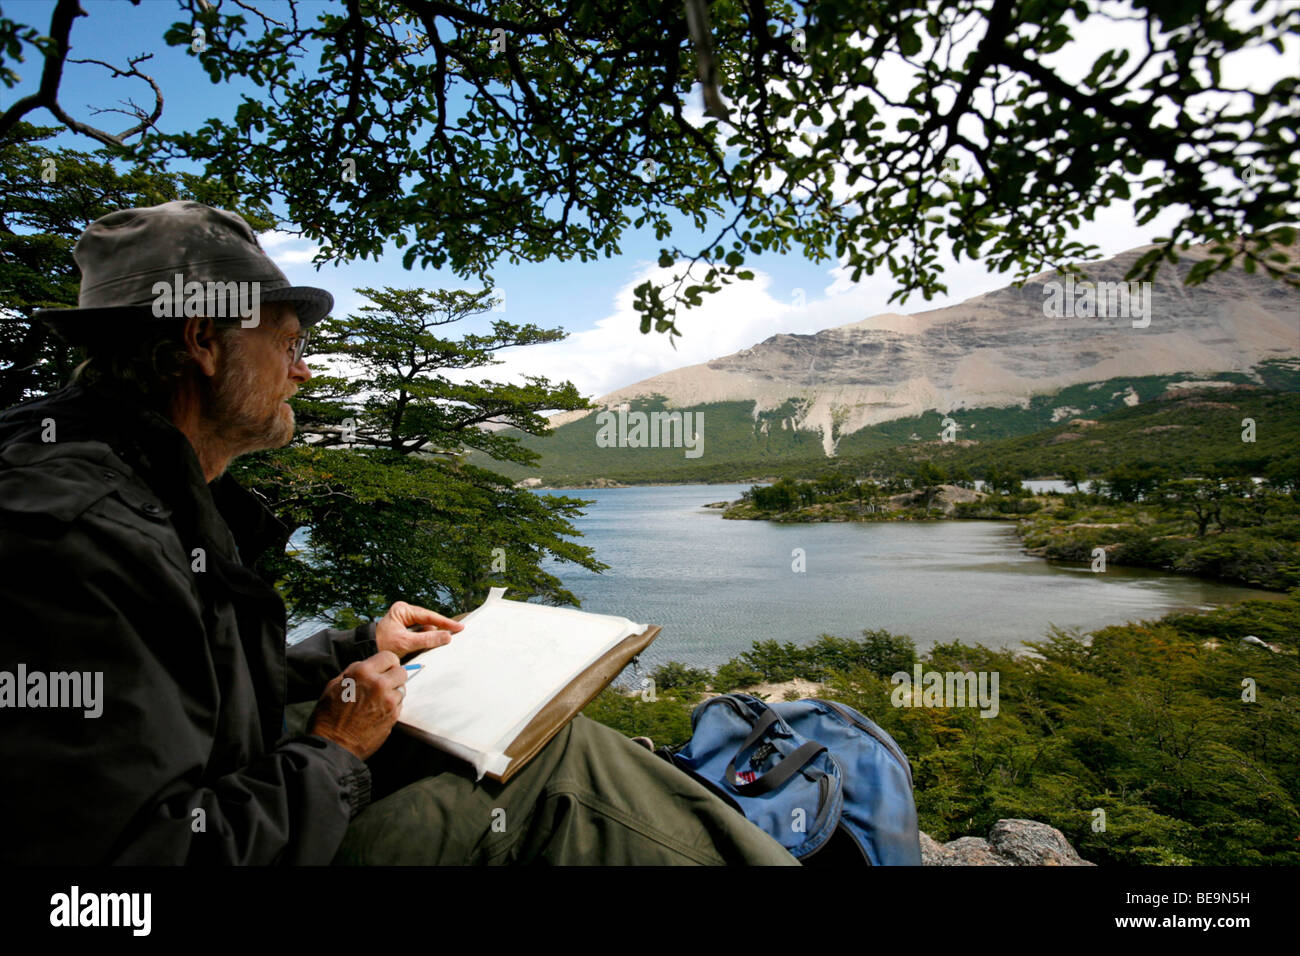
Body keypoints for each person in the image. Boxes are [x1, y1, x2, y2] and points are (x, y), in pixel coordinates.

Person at [0, 201, 797, 865]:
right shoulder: (75, 539)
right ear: (202, 342)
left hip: (254, 815)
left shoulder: (118, 480)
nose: (303, 373)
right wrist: (335, 752)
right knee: (553, 765)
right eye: (288, 345)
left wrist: (355, 649)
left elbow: (183, 695)